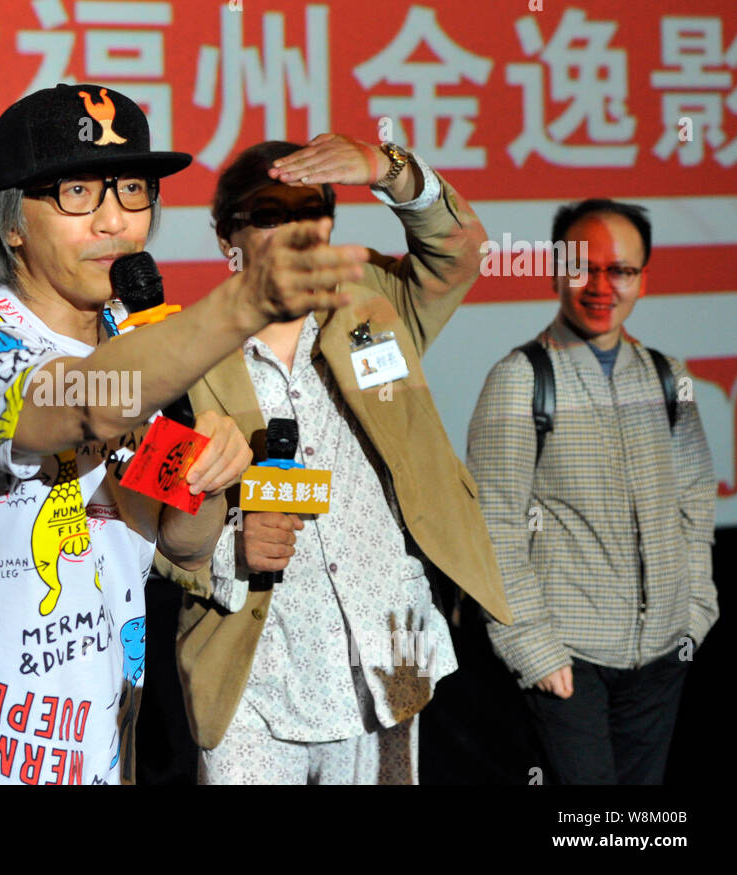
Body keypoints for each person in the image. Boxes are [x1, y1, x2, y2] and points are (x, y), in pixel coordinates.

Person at [0, 85, 370, 785]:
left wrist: (207, 466)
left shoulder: (141, 347)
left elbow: (182, 538)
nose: (115, 220)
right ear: (13, 224)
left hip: (104, 747)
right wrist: (240, 306)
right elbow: (88, 403)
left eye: (132, 191)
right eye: (79, 193)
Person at [152, 137, 513, 785]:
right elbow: (139, 516)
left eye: (311, 208)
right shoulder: (180, 350)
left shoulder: (372, 304)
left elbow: (458, 252)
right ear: (225, 236)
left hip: (386, 658)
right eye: (270, 213)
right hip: (255, 674)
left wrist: (389, 170)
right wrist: (229, 546)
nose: (296, 230)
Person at [466, 199, 717, 784]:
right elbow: (494, 526)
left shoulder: (667, 373)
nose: (601, 286)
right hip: (569, 657)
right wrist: (533, 647)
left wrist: (696, 610)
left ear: (643, 279)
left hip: (661, 652)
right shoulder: (522, 378)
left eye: (621, 270)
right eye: (584, 267)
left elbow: (696, 497)